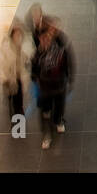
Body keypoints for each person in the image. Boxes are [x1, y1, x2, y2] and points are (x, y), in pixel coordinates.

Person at [31, 17, 75, 149]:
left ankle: (58, 120)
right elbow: (33, 71)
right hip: (45, 88)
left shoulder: (60, 51)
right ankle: (46, 135)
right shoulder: (37, 55)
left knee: (59, 106)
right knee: (45, 112)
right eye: (42, 39)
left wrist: (69, 78)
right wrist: (37, 81)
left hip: (59, 86)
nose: (45, 41)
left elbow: (68, 64)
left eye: (47, 38)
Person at [0, 21, 29, 126]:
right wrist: (4, 78)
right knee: (12, 100)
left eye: (19, 35)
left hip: (19, 78)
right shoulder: (7, 47)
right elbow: (1, 64)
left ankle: (18, 116)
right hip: (9, 79)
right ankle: (16, 121)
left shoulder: (22, 46)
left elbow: (25, 60)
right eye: (16, 35)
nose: (18, 37)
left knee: (18, 100)